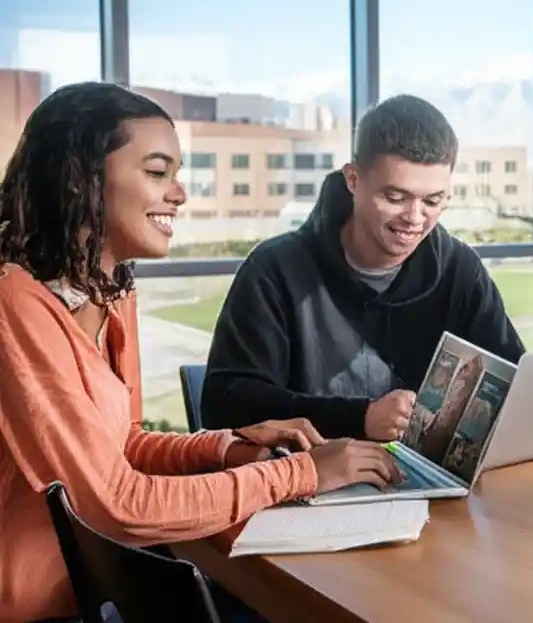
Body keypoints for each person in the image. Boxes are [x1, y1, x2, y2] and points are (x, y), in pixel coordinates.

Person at [0, 82, 400, 622]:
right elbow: (116, 503)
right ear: (83, 179)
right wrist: (302, 473)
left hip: (97, 588)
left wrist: (226, 448)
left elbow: (125, 444)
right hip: (41, 606)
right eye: (158, 172)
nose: (180, 193)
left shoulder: (112, 292)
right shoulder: (14, 301)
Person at [201, 94, 524, 441]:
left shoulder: (460, 267)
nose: (415, 218)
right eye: (395, 198)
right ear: (353, 180)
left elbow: (518, 383)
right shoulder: (274, 270)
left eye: (433, 200)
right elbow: (225, 405)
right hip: (311, 483)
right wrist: (360, 418)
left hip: (431, 484)